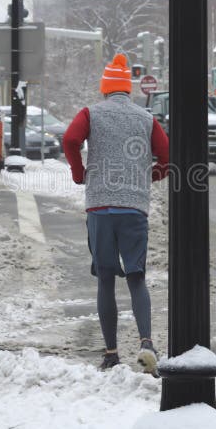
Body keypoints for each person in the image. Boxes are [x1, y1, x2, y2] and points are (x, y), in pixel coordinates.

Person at [62, 53, 169, 376]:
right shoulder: (145, 118)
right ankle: (147, 342)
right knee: (136, 277)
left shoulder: (91, 113)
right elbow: (165, 153)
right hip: (133, 207)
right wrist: (152, 175)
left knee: (106, 279)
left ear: (105, 89)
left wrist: (79, 173)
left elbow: (70, 139)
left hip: (100, 207)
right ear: (128, 90)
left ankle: (111, 353)